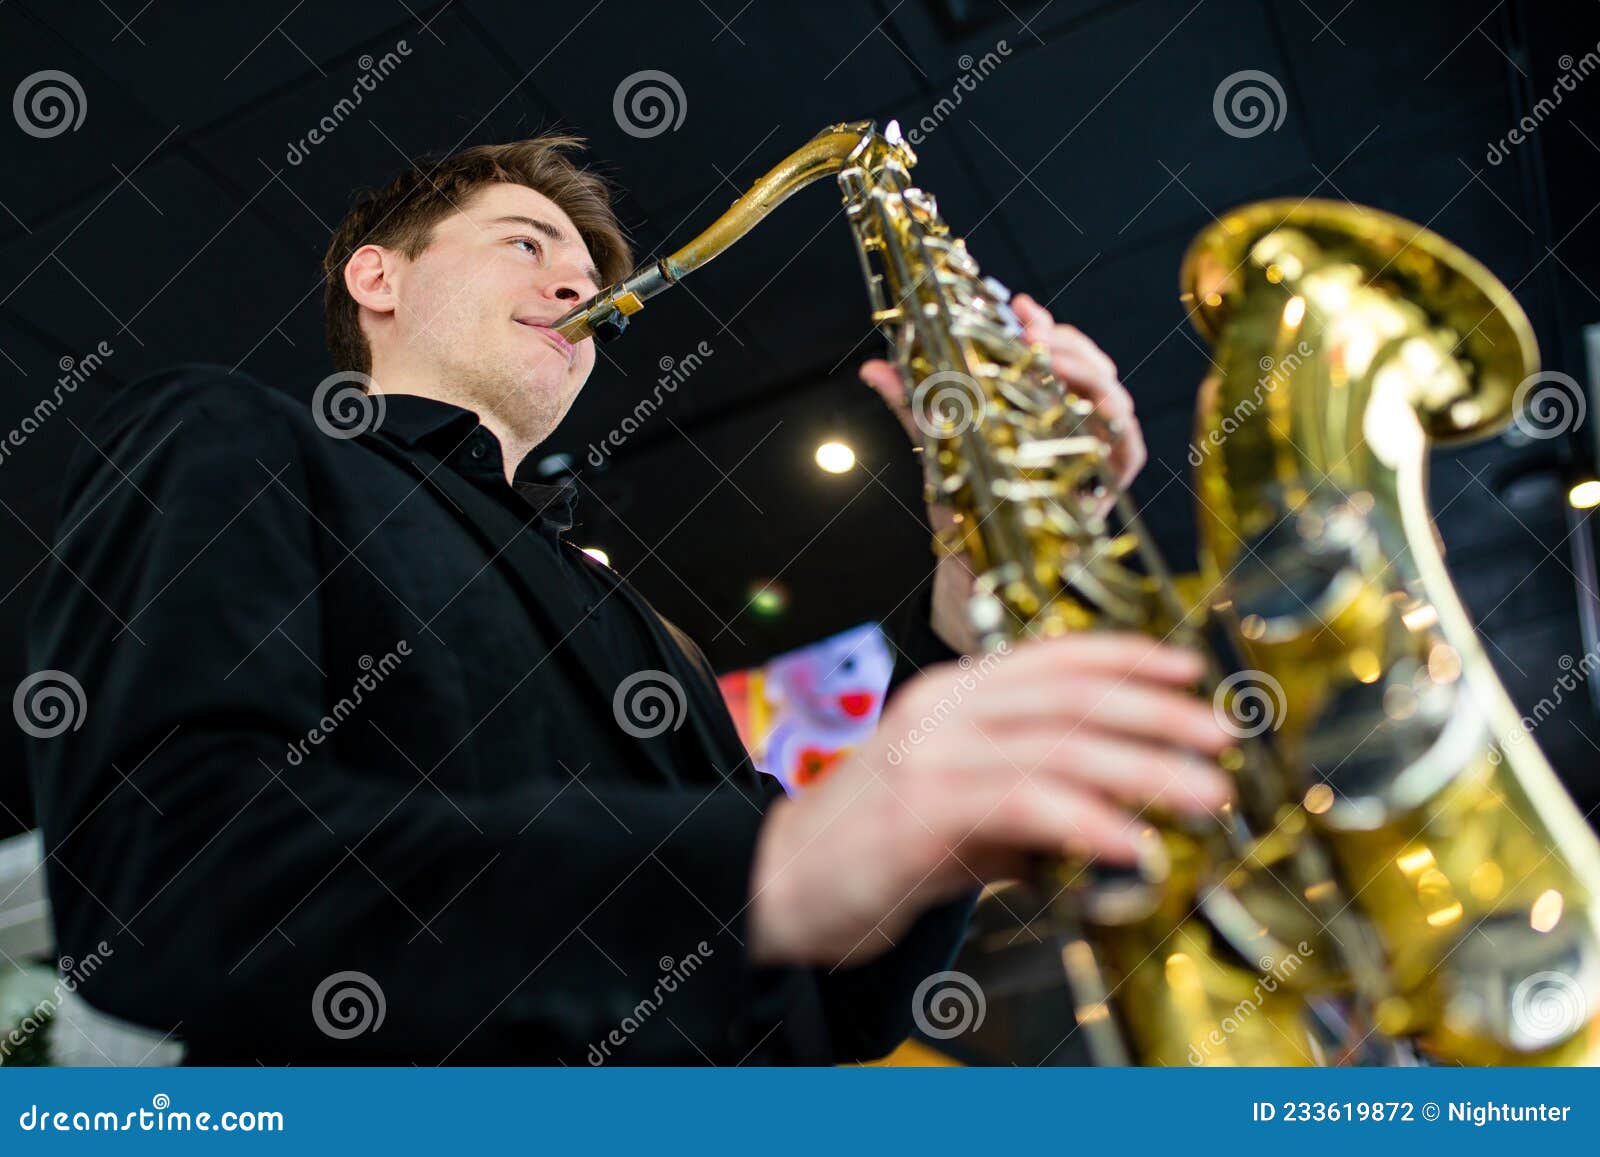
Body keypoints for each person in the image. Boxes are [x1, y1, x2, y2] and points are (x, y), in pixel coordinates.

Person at [26, 135, 1233, 1065]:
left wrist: (969, 598)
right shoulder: (225, 433)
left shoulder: (644, 635)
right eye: (525, 241)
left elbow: (844, 1003)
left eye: (591, 266)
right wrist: (774, 867)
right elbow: (165, 879)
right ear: (376, 276)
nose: (580, 281)